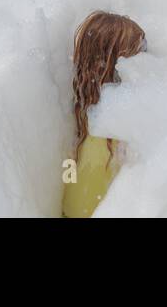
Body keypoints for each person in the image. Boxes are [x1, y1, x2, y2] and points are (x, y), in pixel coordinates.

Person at [62, 12, 147, 218]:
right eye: (140, 56)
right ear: (113, 65)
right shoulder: (115, 125)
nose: (145, 64)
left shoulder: (75, 114)